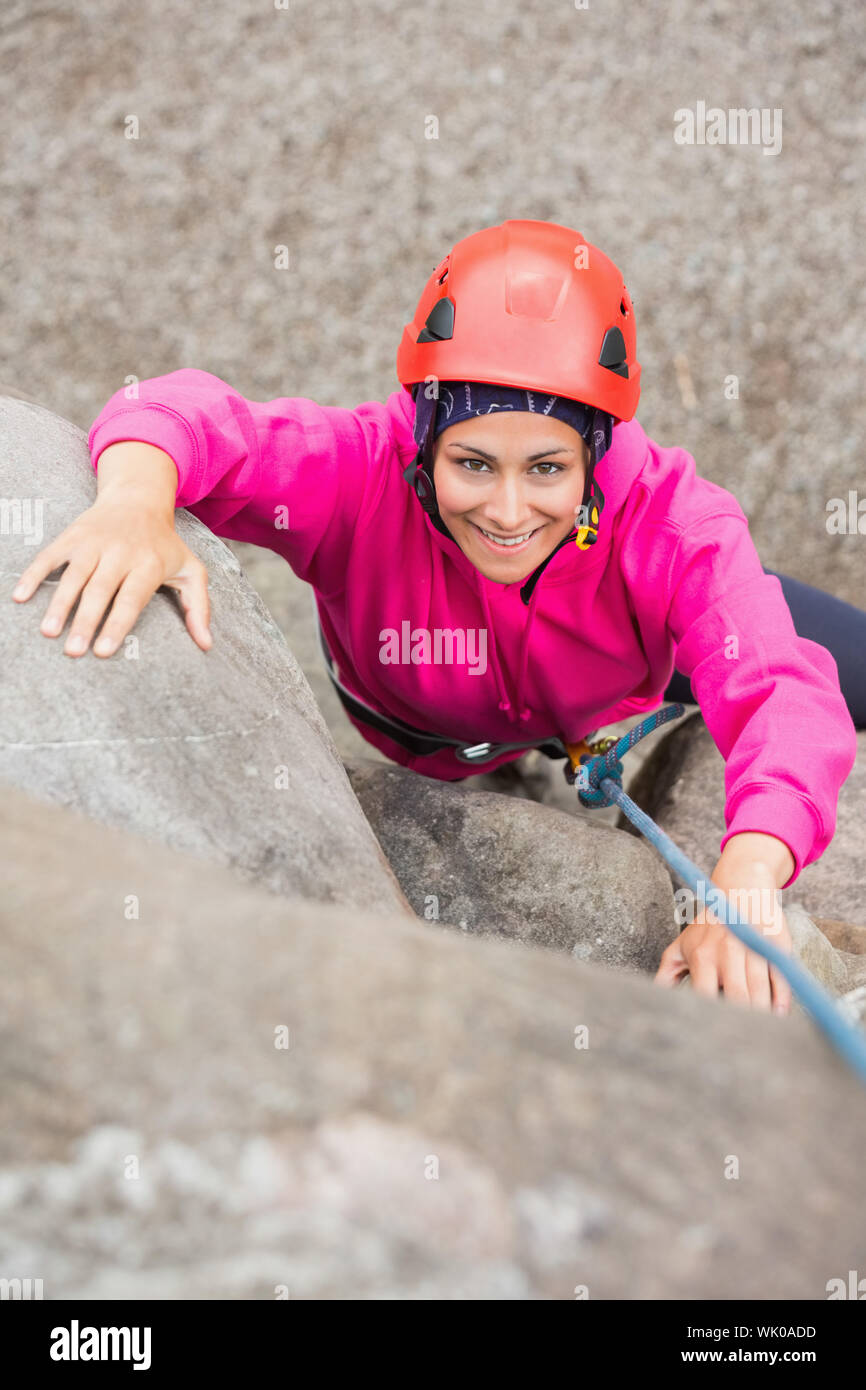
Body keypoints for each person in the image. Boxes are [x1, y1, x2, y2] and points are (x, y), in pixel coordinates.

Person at [12, 219, 862, 1016]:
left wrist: (748, 870)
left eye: (546, 468)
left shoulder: (670, 521)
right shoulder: (356, 475)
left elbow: (781, 689)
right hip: (436, 735)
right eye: (471, 462)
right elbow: (177, 411)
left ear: (596, 455)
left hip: (616, 674)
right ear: (422, 438)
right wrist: (132, 507)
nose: (506, 510)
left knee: (842, 655)